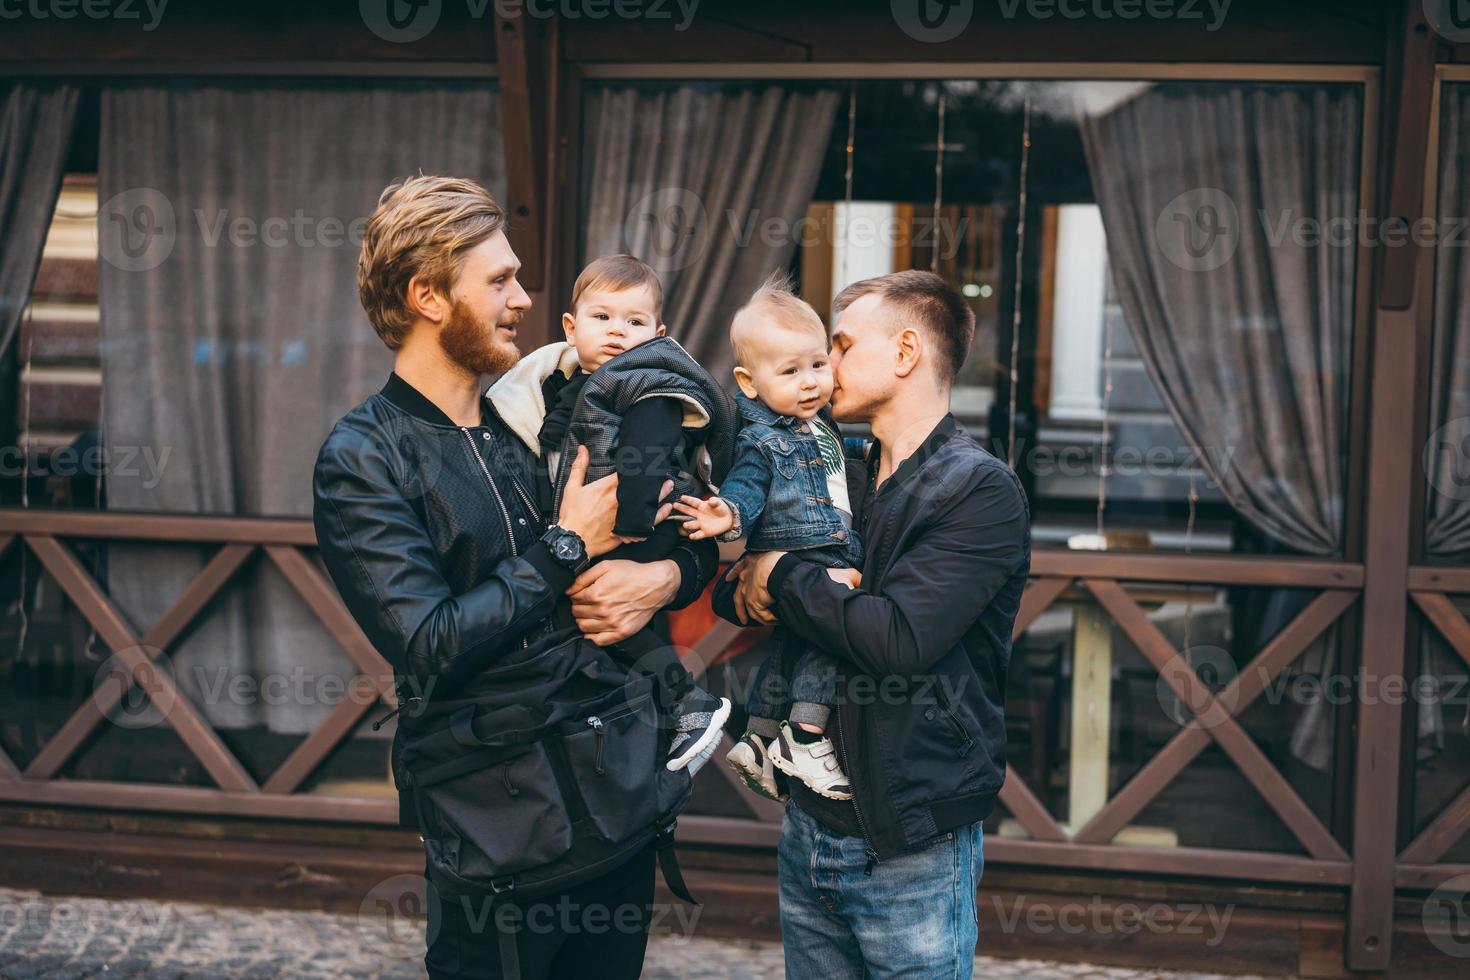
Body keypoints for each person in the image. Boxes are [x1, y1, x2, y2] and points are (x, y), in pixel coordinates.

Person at [312, 176, 719, 980]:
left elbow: (665, 516)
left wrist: (669, 574)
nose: (524, 300)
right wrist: (566, 546)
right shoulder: (363, 455)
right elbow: (428, 642)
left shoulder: (538, 420)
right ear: (428, 295)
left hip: (619, 812)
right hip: (500, 838)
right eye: (499, 280)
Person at [714, 270, 1031, 979]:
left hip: (909, 843)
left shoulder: (980, 489)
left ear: (907, 352)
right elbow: (737, 594)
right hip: (808, 828)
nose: (823, 369)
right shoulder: (839, 471)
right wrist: (756, 586)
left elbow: (896, 639)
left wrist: (782, 577)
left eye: (843, 346)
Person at [485, 253, 734, 772]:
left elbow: (646, 465)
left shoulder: (651, 390)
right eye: (602, 318)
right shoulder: (548, 387)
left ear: (659, 333)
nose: (618, 332)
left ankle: (688, 703)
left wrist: (627, 531)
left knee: (603, 613)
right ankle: (675, 712)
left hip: (639, 529)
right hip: (584, 554)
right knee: (598, 619)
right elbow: (556, 428)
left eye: (635, 322)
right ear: (571, 328)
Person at [675, 275, 864, 802]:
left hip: (823, 547)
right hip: (807, 555)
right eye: (790, 371)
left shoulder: (818, 424)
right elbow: (747, 488)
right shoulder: (762, 439)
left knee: (790, 645)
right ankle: (804, 736)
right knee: (832, 636)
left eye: (818, 365)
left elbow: (833, 469)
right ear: (749, 382)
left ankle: (758, 737)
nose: (810, 382)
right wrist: (727, 514)